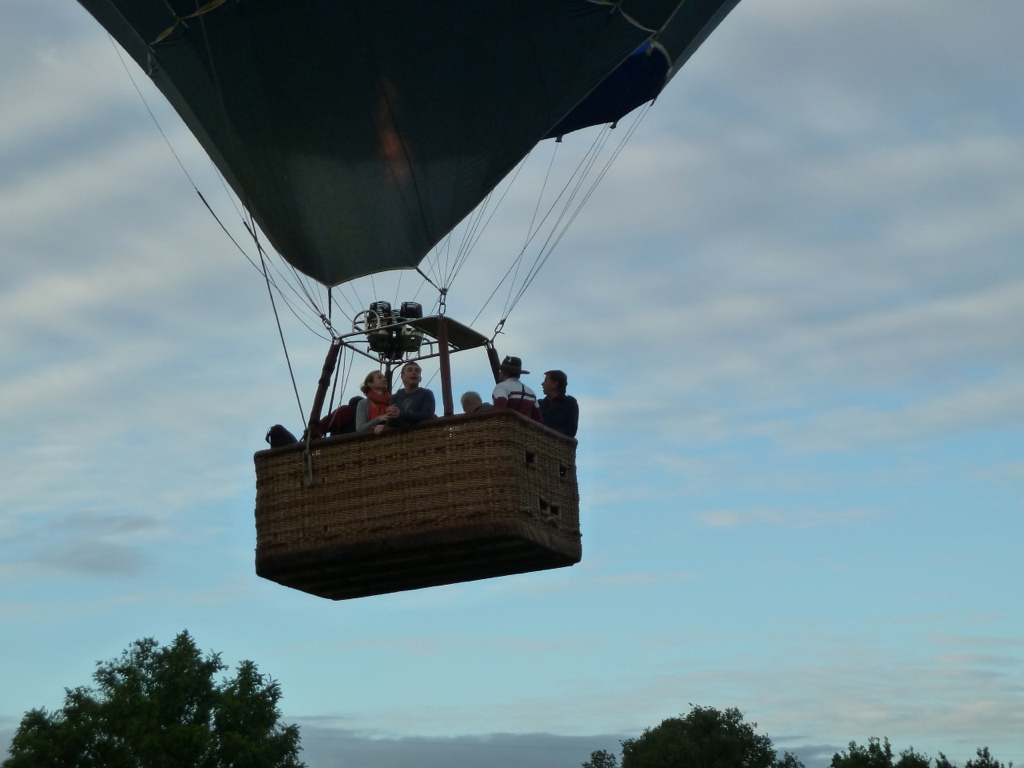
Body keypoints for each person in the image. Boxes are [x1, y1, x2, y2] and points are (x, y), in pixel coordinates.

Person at [491, 356, 542, 422]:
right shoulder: (531, 392)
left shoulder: (501, 387)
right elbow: (538, 418)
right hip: (524, 428)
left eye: (500, 371)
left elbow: (499, 409)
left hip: (505, 426)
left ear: (504, 373)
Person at [389, 361, 436, 430]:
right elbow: (392, 423)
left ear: (420, 378)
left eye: (417, 371)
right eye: (410, 370)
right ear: (402, 377)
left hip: (421, 433)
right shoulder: (395, 397)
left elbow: (428, 415)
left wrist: (401, 414)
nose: (414, 373)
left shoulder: (426, 394)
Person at [538, 369, 579, 438]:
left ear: (554, 384)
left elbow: (571, 430)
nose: (542, 384)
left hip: (558, 443)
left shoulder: (569, 403)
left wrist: (548, 434)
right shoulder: (540, 404)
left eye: (546, 381)